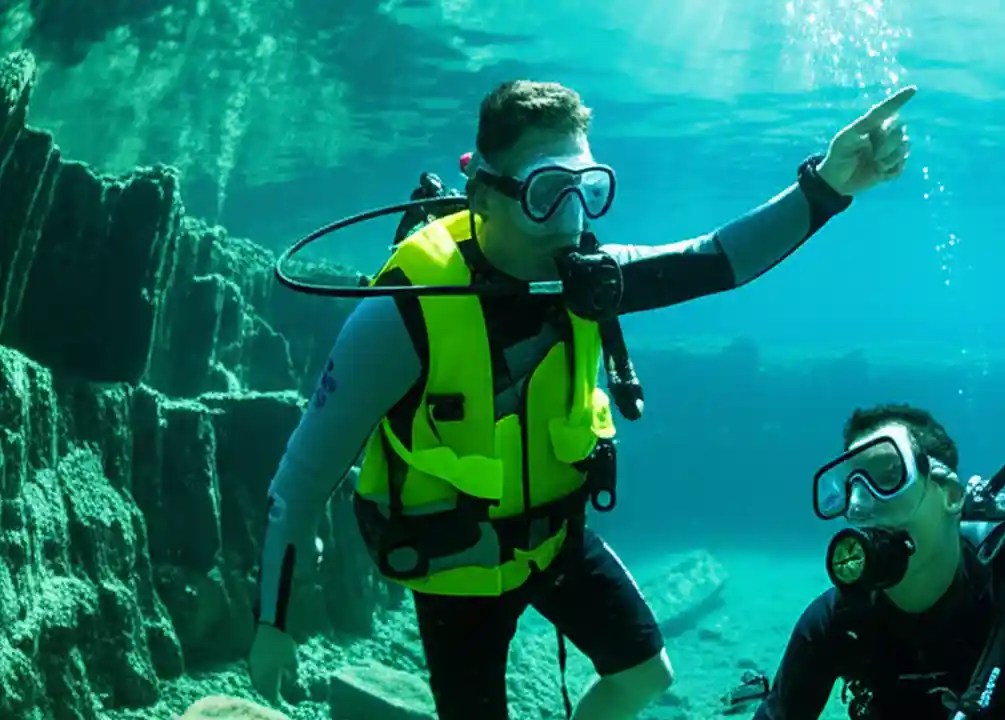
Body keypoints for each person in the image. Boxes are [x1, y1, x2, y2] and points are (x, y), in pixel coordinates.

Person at [247, 78, 916, 720]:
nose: (569, 221)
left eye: (585, 189)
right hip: (456, 566)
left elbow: (718, 260)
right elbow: (300, 483)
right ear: (482, 194)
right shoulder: (400, 317)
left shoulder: (594, 280)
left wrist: (827, 185)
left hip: (555, 543)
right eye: (545, 192)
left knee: (645, 673)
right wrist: (272, 623)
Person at [746, 403, 1005, 720]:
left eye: (887, 477)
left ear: (951, 495)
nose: (856, 506)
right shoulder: (835, 619)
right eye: (851, 485)